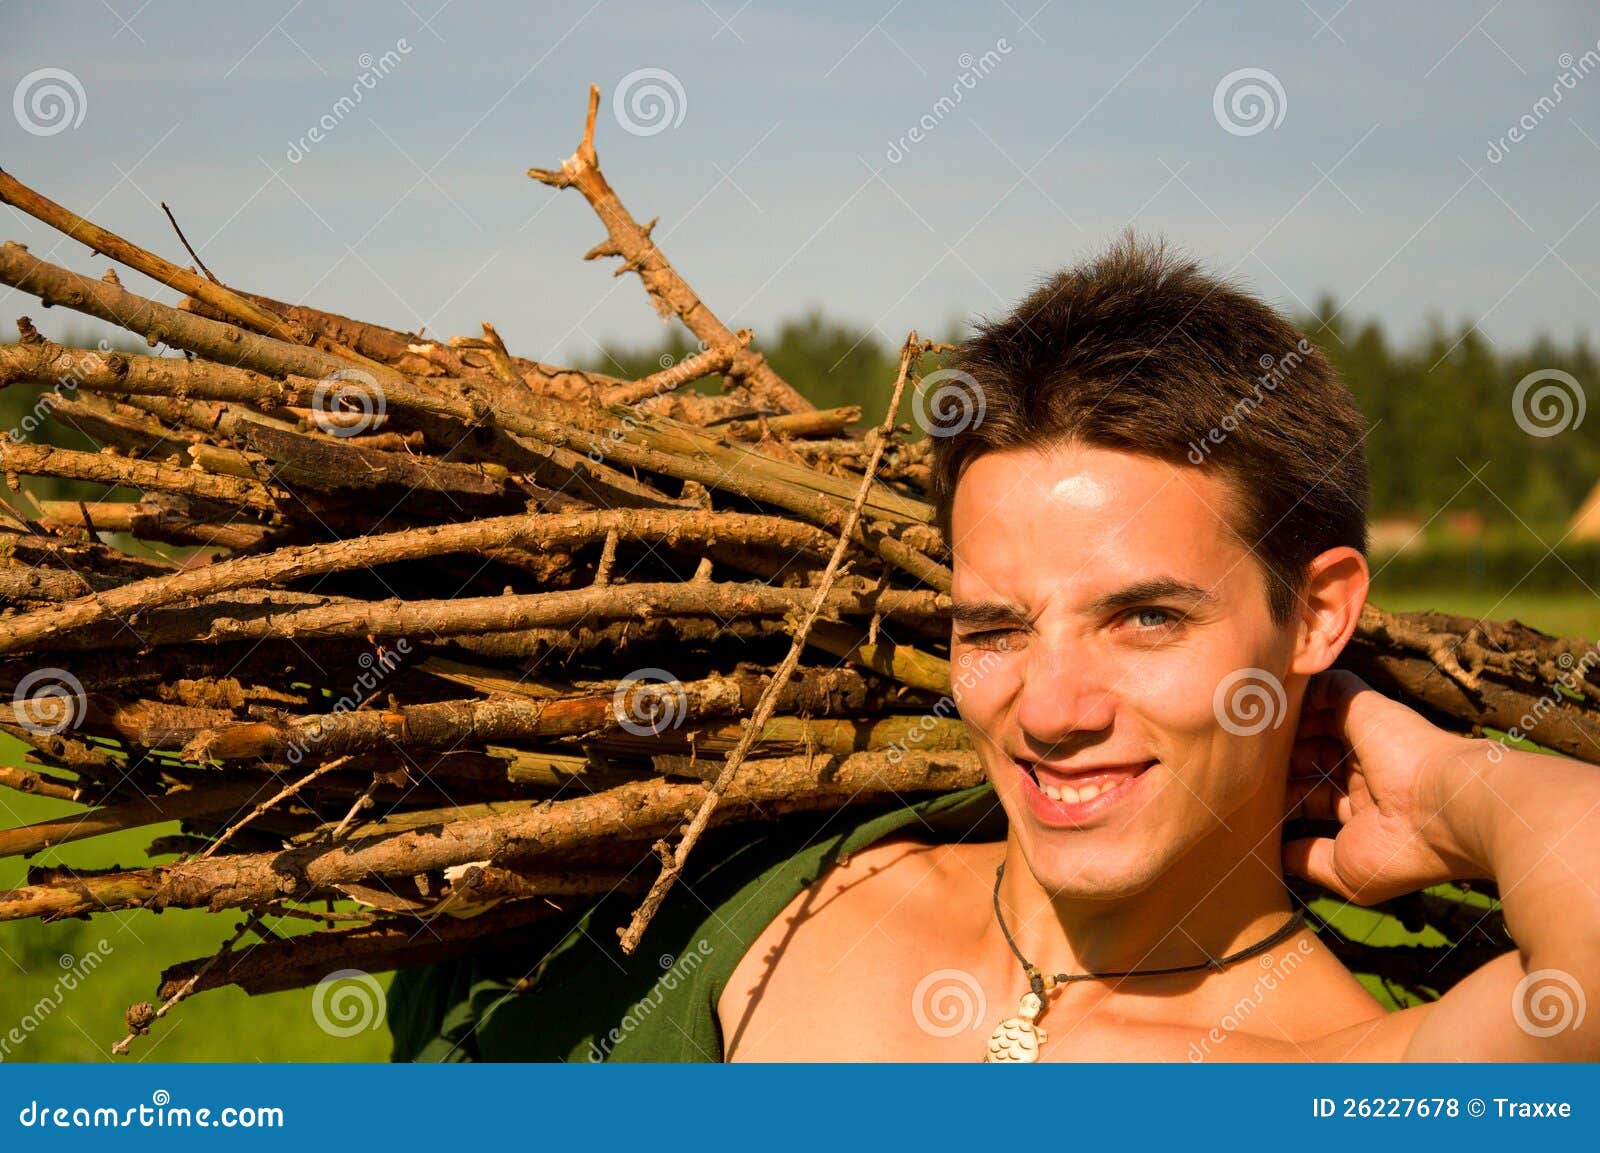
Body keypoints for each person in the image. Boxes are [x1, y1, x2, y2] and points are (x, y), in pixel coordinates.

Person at [387, 233, 1599, 1062]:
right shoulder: (777, 901)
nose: (1052, 707)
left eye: (1146, 618)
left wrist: (1459, 785)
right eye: (997, 627)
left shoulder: (1341, 1072)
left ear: (1318, 613)